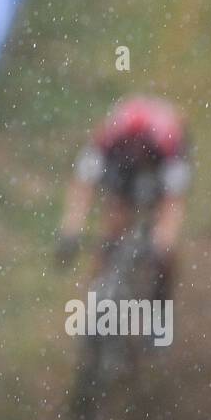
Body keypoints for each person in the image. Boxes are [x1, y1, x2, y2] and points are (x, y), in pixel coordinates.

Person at [56, 96, 191, 299]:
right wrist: (71, 232)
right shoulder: (107, 141)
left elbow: (173, 202)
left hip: (160, 163)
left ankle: (161, 297)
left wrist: (163, 243)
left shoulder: (167, 144)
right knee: (113, 224)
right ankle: (99, 287)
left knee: (163, 250)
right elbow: (82, 188)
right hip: (123, 163)